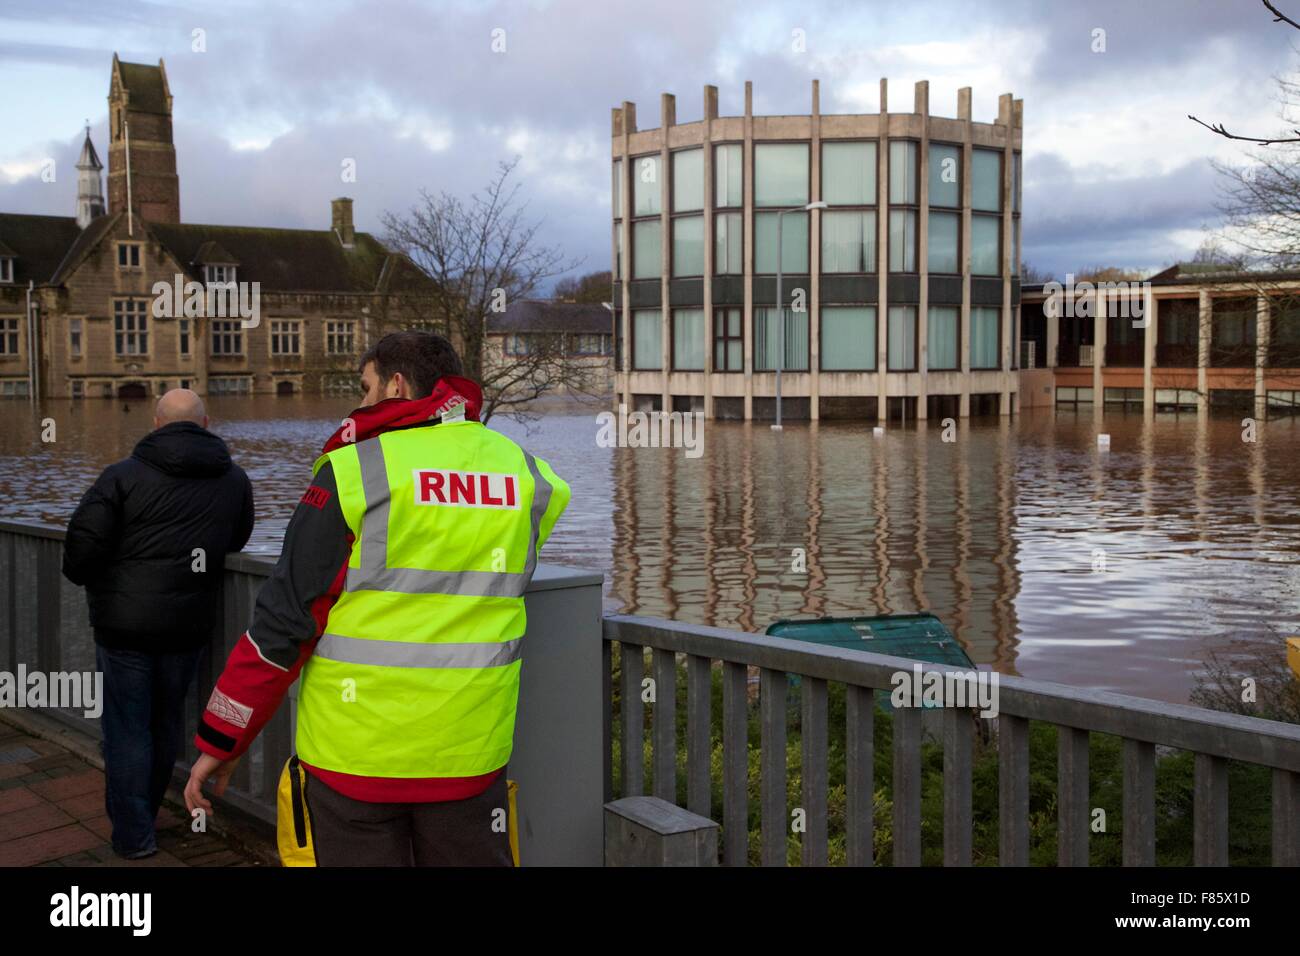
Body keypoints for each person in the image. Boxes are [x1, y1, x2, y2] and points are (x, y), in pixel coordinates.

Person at [184, 332, 570, 866]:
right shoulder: (529, 477)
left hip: (355, 759)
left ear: (396, 383)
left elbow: (283, 624)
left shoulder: (352, 472)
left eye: (365, 388)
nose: (359, 404)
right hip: (468, 753)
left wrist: (222, 738)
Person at [62, 388, 255, 859]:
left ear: (155, 424)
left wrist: (104, 581)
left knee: (128, 730)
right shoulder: (233, 480)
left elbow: (80, 553)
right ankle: (145, 819)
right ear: (205, 424)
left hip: (124, 626)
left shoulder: (121, 476)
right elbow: (239, 535)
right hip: (187, 625)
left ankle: (134, 837)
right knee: (165, 723)